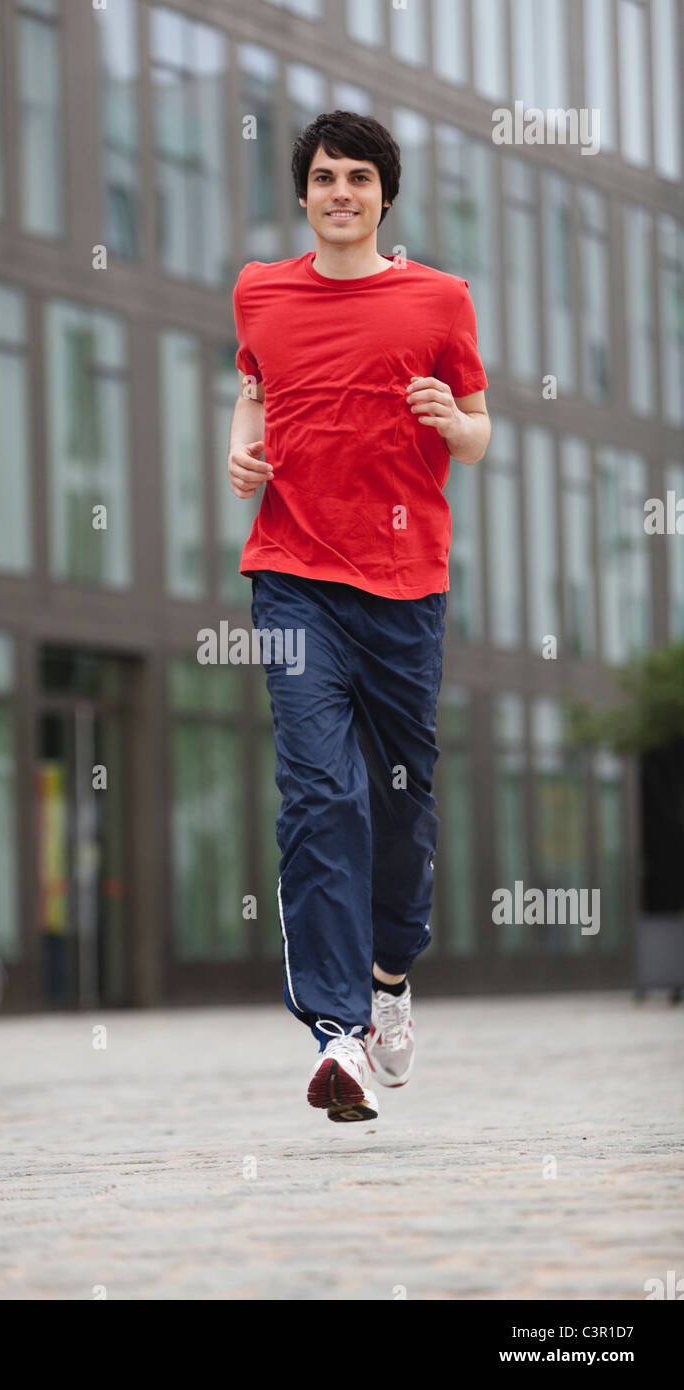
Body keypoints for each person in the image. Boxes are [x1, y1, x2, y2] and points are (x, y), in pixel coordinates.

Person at [228, 111, 491, 1122]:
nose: (340, 192)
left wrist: (448, 422)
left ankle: (388, 979)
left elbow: (476, 432)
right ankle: (333, 1031)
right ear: (303, 194)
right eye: (324, 177)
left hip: (404, 586)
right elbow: (251, 389)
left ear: (384, 195)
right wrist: (238, 449)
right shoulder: (259, 290)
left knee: (399, 803)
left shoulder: (438, 298)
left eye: (359, 178)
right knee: (317, 795)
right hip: (291, 575)